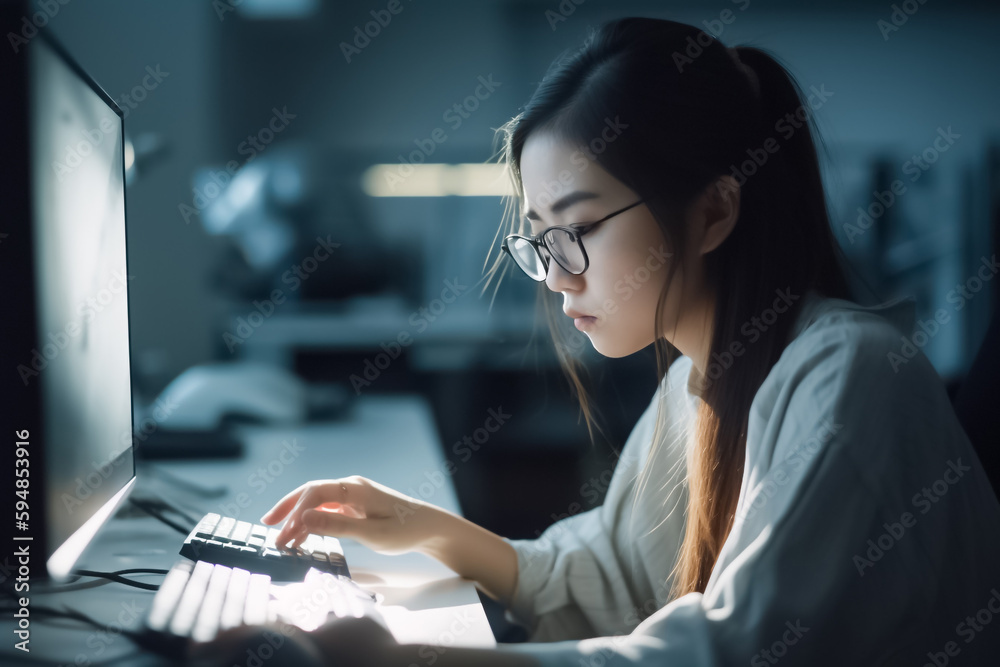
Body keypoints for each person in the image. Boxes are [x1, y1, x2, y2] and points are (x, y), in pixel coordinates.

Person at [192, 16, 1000, 666]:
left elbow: (733, 649)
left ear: (714, 212)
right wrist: (425, 524)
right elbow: (612, 576)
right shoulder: (699, 380)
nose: (556, 276)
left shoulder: (848, 373)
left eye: (577, 229)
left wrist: (424, 658)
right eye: (539, 241)